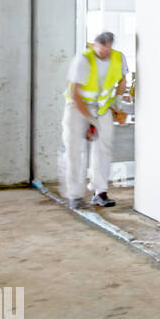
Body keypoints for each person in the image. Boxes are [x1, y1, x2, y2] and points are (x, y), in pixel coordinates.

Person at [62, 31, 129, 209]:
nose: (105, 52)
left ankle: (100, 192)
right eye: (101, 49)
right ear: (95, 45)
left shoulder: (118, 58)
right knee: (75, 150)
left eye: (108, 48)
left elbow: (122, 81)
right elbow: (75, 94)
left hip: (102, 108)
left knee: (103, 149)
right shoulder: (83, 60)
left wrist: (118, 101)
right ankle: (75, 195)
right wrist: (90, 120)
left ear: (111, 46)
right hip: (77, 107)